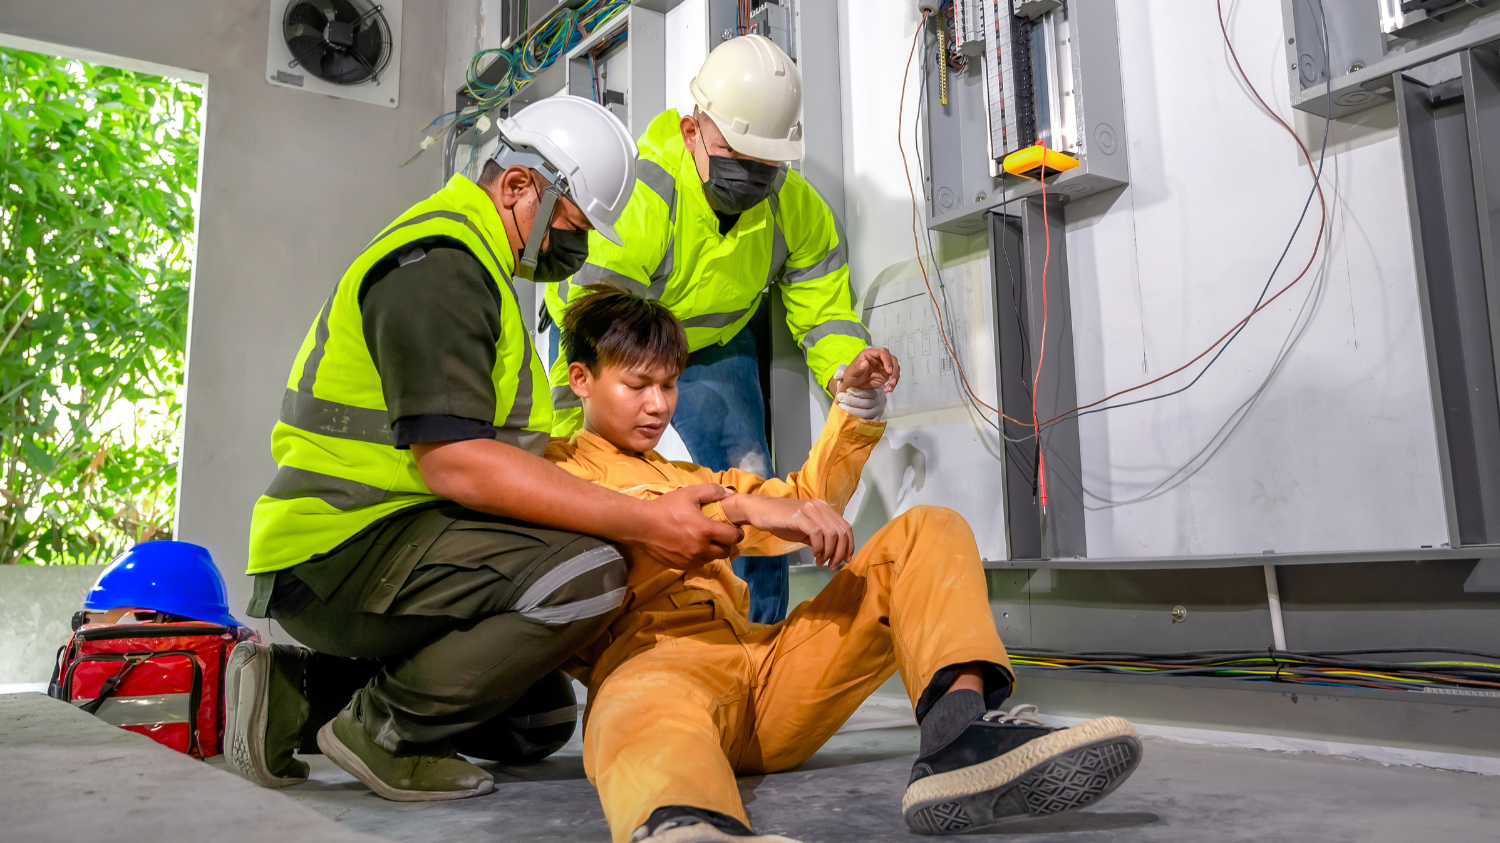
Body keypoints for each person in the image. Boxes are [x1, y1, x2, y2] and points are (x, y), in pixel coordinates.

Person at [223, 97, 744, 803]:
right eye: (572, 225)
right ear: (519, 186)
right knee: (588, 573)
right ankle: (383, 729)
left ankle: (297, 691)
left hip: (391, 537)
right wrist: (647, 521)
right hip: (340, 551)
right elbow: (457, 461)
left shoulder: (481, 271)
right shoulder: (439, 269)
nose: (578, 248)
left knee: (538, 718)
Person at [546, 287, 1143, 843]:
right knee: (640, 707)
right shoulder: (553, 473)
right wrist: (748, 506)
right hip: (654, 669)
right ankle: (690, 824)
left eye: (669, 386)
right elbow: (649, 515)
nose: (658, 405)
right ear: (581, 379)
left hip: (764, 675)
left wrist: (853, 406)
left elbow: (805, 501)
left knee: (928, 529)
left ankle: (958, 738)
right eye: (637, 385)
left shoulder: (691, 475)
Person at [543, 34, 885, 624]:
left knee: (750, 487)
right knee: (589, 482)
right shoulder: (641, 197)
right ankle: (596, 627)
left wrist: (843, 368)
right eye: (736, 154)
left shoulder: (796, 210)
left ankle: (761, 636)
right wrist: (562, 448)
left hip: (710, 348)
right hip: (611, 339)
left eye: (766, 163)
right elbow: (590, 326)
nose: (751, 175)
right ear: (692, 131)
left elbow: (824, 307)